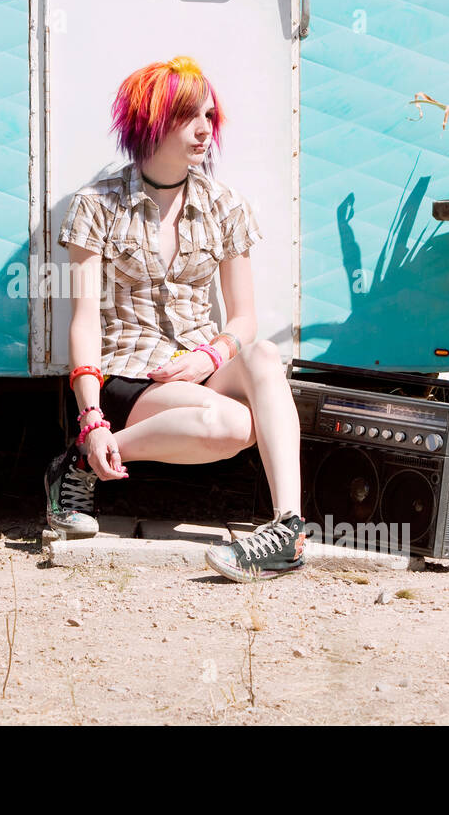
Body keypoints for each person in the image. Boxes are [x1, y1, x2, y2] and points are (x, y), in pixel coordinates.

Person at [44, 55, 306, 582]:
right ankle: (83, 454)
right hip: (131, 373)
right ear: (150, 120)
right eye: (190, 116)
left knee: (265, 355)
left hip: (199, 362)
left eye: (210, 116)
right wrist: (92, 418)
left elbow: (245, 317)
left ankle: (287, 530)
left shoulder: (224, 204)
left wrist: (211, 354)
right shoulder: (94, 206)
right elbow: (85, 321)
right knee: (233, 424)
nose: (205, 130)